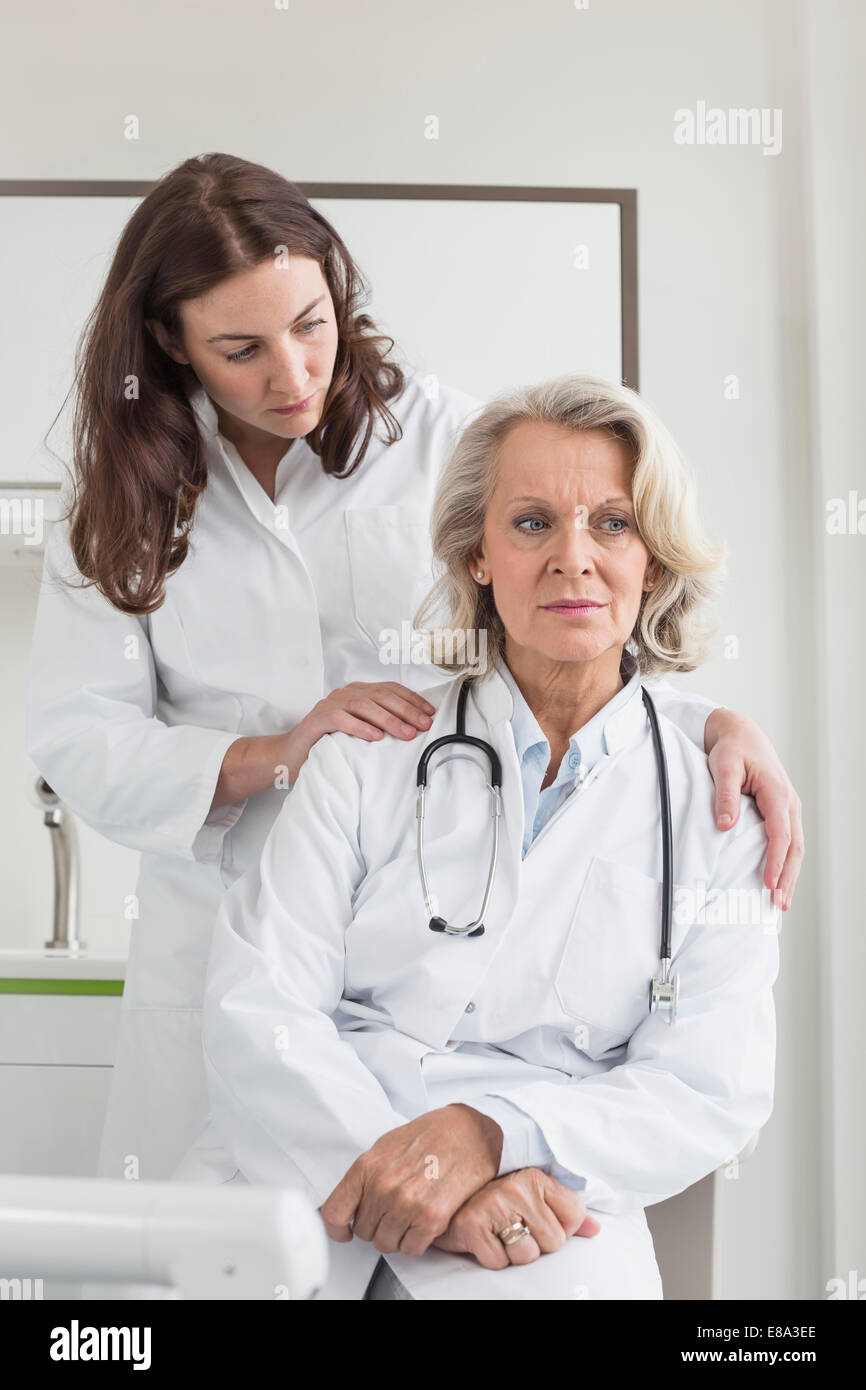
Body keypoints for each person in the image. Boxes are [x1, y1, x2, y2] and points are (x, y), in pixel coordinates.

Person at [26, 152, 800, 1194]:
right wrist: (277, 753)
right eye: (241, 349)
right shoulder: (120, 494)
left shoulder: (438, 437)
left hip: (399, 922)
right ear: (170, 343)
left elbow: (565, 604)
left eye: (310, 324)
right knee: (215, 1244)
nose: (293, 376)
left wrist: (704, 722)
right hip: (219, 922)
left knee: (416, 1190)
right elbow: (79, 734)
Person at [187, 376, 782, 1300]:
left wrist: (494, 1134)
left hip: (547, 1201)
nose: (573, 559)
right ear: (477, 554)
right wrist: (405, 1172)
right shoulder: (371, 752)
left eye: (614, 525)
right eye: (533, 523)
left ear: (654, 562)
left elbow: (711, 1084)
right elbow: (257, 1002)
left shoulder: (716, 807)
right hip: (311, 1157)